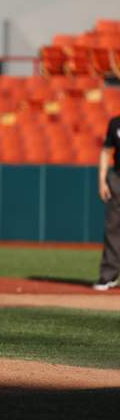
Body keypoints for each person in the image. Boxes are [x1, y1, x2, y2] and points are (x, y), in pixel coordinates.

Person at [96, 115, 120, 291]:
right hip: (117, 179)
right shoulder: (115, 123)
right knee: (113, 228)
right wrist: (102, 180)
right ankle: (108, 276)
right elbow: (106, 151)